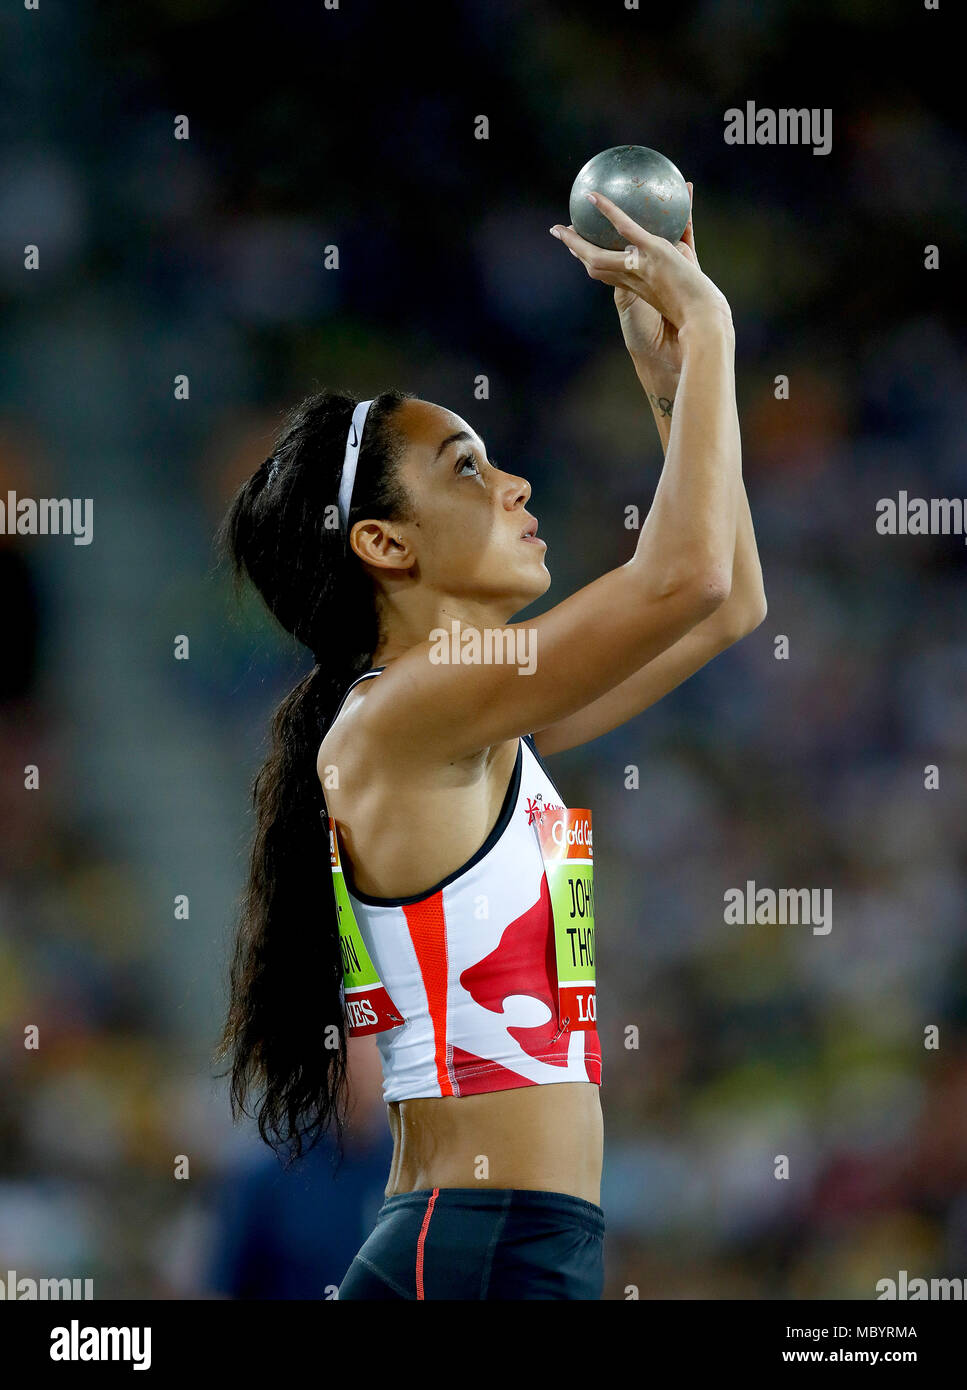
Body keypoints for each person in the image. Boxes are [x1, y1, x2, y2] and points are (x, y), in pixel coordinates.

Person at [214, 184, 766, 1300]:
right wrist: (707, 330)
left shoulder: (462, 721)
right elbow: (685, 575)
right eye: (466, 465)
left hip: (498, 1243)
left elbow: (729, 603)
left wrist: (673, 385)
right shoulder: (405, 713)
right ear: (381, 541)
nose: (515, 482)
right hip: (475, 1248)